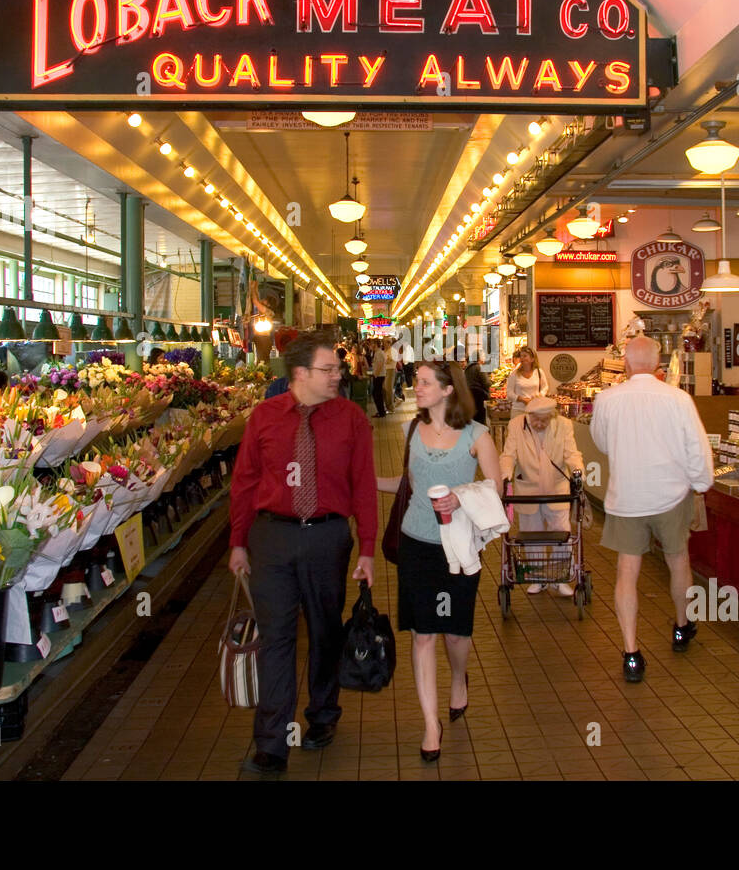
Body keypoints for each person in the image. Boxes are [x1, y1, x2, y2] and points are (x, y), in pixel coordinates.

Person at [228, 332, 377, 776]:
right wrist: (238, 541)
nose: (338, 375)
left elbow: (363, 486)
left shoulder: (350, 418)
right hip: (271, 539)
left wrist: (366, 548)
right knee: (277, 640)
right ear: (300, 374)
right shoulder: (265, 417)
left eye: (337, 368)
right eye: (328, 369)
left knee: (325, 631)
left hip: (327, 538)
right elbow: (245, 482)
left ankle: (323, 716)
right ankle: (272, 742)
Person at [376, 360, 501, 761]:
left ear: (449, 390)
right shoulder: (411, 430)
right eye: (418, 381)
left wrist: (461, 496)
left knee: (456, 634)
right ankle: (431, 724)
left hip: (457, 549)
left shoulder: (478, 436)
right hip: (416, 543)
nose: (418, 386)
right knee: (423, 634)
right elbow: (408, 485)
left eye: (426, 382)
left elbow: (497, 489)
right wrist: (366, 480)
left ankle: (459, 678)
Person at [590, 336, 713, 683]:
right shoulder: (679, 399)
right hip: (671, 495)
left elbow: (600, 441)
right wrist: (700, 483)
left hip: (626, 496)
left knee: (626, 572)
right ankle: (681, 625)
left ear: (626, 364)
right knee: (678, 561)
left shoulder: (607, 399)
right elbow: (697, 447)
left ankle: (631, 653)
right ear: (658, 366)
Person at [500, 396, 583, 597]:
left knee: (562, 533)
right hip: (527, 489)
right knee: (531, 534)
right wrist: (505, 474)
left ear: (552, 416)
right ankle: (537, 577)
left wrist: (577, 470)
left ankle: (560, 577)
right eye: (536, 419)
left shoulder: (563, 425)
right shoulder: (516, 425)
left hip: (557, 488)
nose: (539, 424)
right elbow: (508, 454)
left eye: (544, 420)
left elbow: (571, 453)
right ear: (529, 415)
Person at [505, 345, 549, 416]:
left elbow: (545, 387)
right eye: (521, 356)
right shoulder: (514, 373)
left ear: (532, 359)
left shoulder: (538, 372)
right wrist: (522, 399)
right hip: (518, 410)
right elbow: (509, 392)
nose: (522, 358)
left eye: (525, 356)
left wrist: (540, 395)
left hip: (535, 410)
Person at [464, 352, 491, 426]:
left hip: (469, 395)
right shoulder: (479, 367)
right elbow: (486, 383)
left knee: (473, 417)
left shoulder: (467, 368)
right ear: (479, 358)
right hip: (479, 396)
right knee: (480, 418)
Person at [370, 339, 388, 417]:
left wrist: (376, 374)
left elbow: (380, 364)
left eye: (371, 344)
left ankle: (381, 412)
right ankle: (381, 411)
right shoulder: (377, 352)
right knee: (377, 393)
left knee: (377, 394)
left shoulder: (379, 353)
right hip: (379, 375)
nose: (370, 346)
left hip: (379, 375)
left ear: (375, 344)